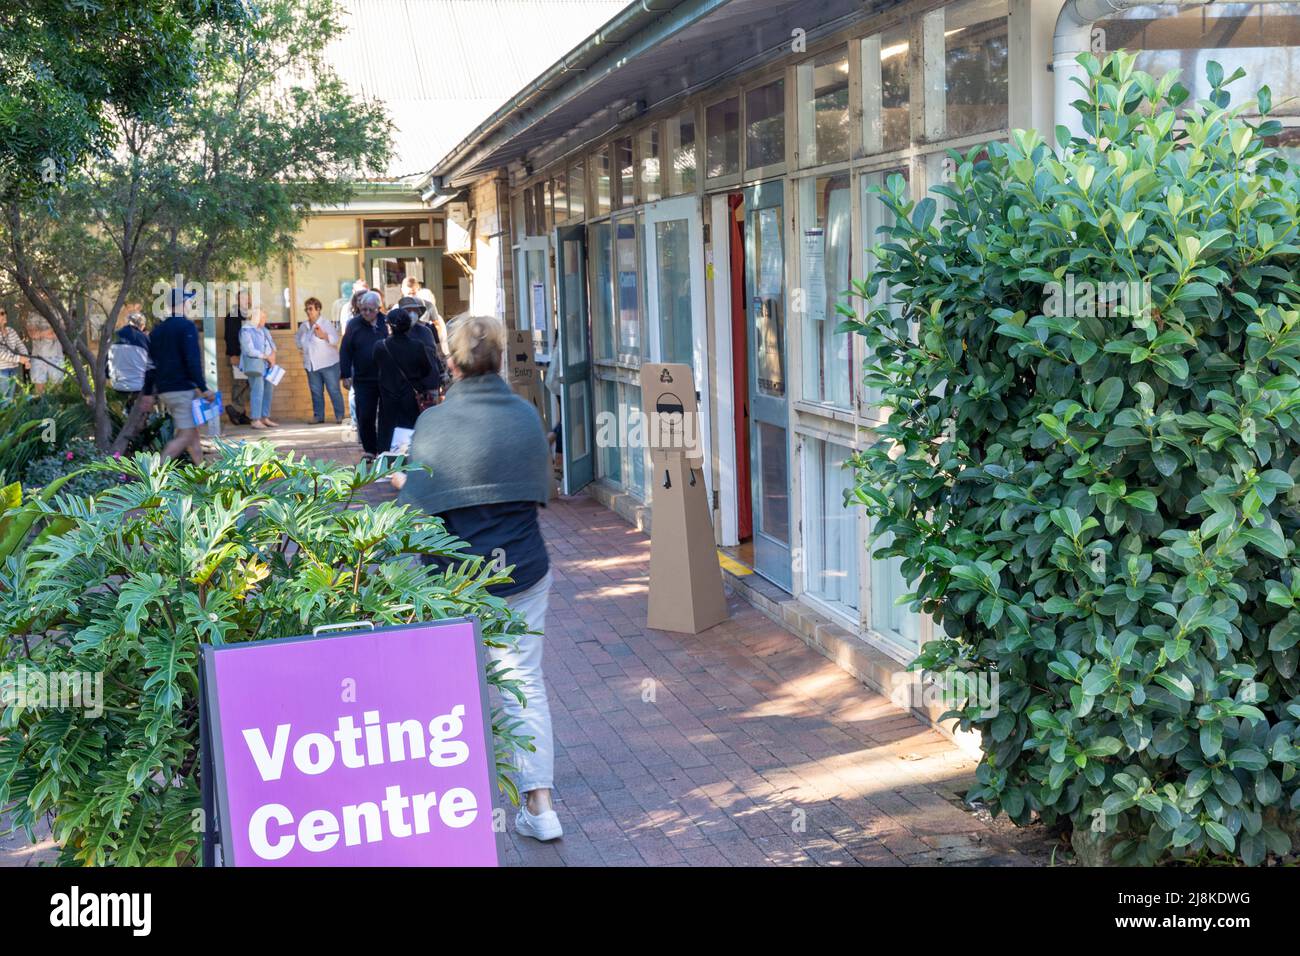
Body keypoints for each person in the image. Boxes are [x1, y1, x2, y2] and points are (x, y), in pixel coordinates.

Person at [390, 314, 559, 842]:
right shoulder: (526, 418)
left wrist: (401, 476)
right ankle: (541, 806)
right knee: (523, 684)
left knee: (449, 688)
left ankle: (453, 807)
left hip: (453, 579)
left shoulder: (434, 424)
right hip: (523, 570)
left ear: (451, 361)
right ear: (501, 357)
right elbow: (538, 491)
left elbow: (414, 505)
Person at [148, 288, 215, 465]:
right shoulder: (186, 327)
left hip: (165, 390)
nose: (190, 305)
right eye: (188, 301)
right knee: (185, 435)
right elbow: (192, 361)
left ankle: (203, 474)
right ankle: (153, 475)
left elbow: (151, 365)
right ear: (183, 304)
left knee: (192, 433)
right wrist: (204, 389)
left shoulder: (157, 331)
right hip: (182, 390)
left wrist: (148, 392)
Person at [372, 305, 440, 455]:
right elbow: (427, 369)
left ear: (390, 326)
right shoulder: (417, 346)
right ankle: (408, 463)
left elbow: (375, 366)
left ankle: (386, 465)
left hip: (387, 397)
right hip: (411, 395)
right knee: (409, 429)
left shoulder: (380, 346)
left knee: (387, 431)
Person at [338, 290, 388, 459]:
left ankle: (383, 449)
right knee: (365, 415)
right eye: (363, 309)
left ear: (378, 309)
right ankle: (370, 449)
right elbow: (345, 349)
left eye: (370, 310)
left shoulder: (386, 323)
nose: (366, 313)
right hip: (363, 378)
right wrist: (345, 374)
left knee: (385, 415)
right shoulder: (354, 325)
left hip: (385, 377)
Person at [295, 297, 345, 424]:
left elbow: (335, 340)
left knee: (333, 390)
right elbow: (298, 341)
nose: (308, 311)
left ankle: (340, 416)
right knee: (316, 392)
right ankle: (318, 416)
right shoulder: (304, 326)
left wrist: (324, 336)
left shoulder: (326, 323)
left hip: (329, 364)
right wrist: (302, 347)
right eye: (306, 309)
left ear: (318, 309)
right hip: (311, 365)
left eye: (311, 309)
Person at [238, 307, 278, 429]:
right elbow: (249, 350)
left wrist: (272, 357)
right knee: (257, 391)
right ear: (256, 318)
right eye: (263, 317)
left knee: (268, 391)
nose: (265, 319)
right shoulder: (246, 330)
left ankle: (264, 418)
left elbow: (272, 345)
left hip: (267, 364)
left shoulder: (264, 330)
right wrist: (266, 356)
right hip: (255, 364)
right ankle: (255, 419)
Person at [223, 289, 253, 424]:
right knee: (239, 385)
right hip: (238, 356)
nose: (245, 301)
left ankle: (237, 410)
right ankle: (239, 413)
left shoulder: (252, 315)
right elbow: (229, 337)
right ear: (238, 300)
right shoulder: (232, 316)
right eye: (242, 298)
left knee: (251, 383)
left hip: (251, 357)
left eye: (247, 298)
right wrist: (234, 354)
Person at [401, 276, 447, 356]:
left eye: (414, 293)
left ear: (418, 290)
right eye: (408, 294)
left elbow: (439, 334)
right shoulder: (397, 309)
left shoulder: (429, 308)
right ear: (402, 291)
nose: (411, 297)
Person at [27, 314, 64, 394]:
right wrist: (50, 331)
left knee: (57, 388)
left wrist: (40, 333)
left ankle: (57, 406)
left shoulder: (57, 312)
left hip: (56, 355)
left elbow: (60, 331)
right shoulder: (32, 314)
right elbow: (33, 334)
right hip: (37, 356)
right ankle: (42, 405)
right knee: (39, 390)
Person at [0, 306, 30, 400]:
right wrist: (19, 359)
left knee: (9, 399)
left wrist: (26, 360)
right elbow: (1, 354)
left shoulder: (11, 331)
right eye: (1, 314)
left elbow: (21, 346)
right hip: (1, 372)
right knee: (3, 401)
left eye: (4, 312)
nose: (5, 315)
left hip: (13, 370)